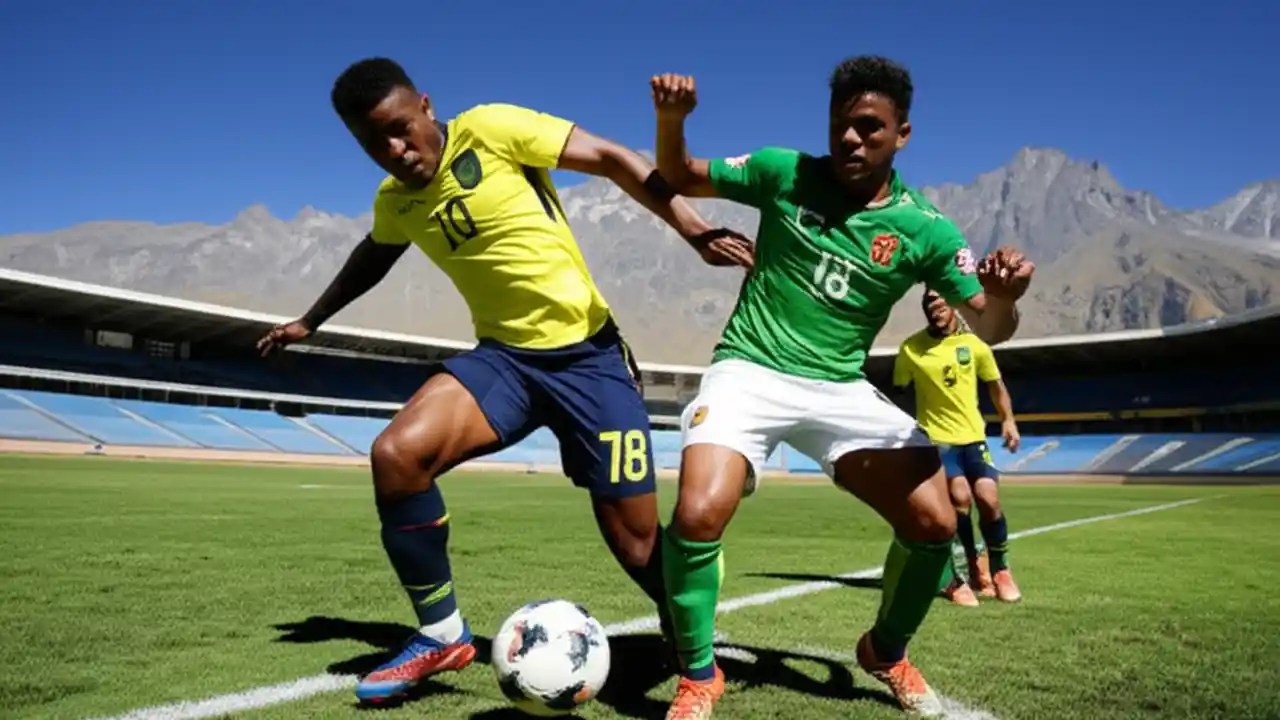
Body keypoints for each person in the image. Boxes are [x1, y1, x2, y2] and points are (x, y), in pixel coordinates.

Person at [255, 57, 754, 705]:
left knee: (635, 544)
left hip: (590, 362)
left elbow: (610, 157)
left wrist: (691, 227)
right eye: (374, 144)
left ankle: (695, 647)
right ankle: (442, 635)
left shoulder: (491, 129)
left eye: (402, 129)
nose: (396, 151)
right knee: (397, 456)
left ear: (427, 105)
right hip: (505, 364)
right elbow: (372, 255)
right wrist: (309, 320)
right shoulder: (397, 201)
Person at [650, 56, 1035, 719]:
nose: (850, 139)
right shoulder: (782, 171)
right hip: (751, 367)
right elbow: (680, 175)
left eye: (868, 127)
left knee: (936, 521)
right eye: (840, 125)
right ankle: (699, 675)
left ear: (902, 134)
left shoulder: (929, 231)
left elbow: (990, 327)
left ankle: (886, 650)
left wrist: (1003, 297)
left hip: (839, 389)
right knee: (697, 513)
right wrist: (671, 122)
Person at [894, 289, 1024, 607]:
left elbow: (996, 386)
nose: (934, 307)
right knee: (959, 497)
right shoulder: (912, 348)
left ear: (951, 305)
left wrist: (1008, 420)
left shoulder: (974, 346)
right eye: (928, 303)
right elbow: (897, 390)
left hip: (974, 438)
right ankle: (969, 562)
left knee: (988, 497)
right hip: (937, 440)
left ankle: (1000, 569)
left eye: (940, 301)